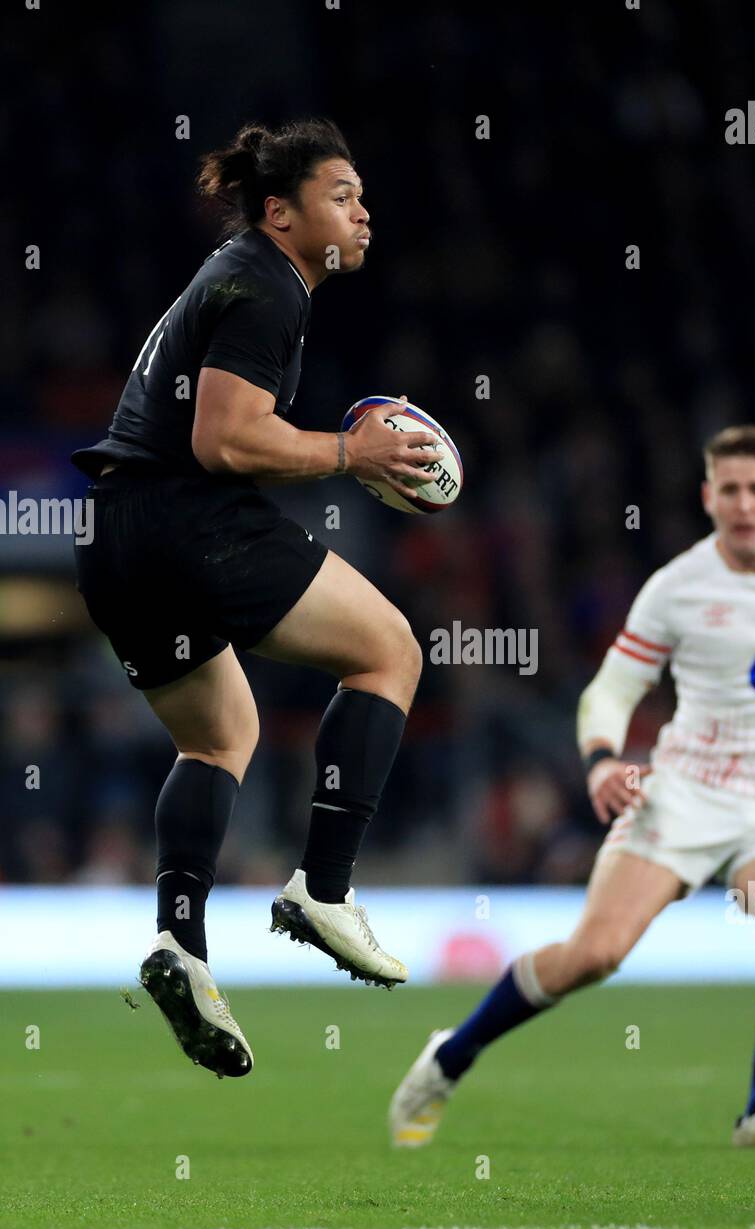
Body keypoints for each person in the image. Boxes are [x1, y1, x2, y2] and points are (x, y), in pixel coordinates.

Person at [389, 424, 755, 1148]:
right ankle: (448, 1056)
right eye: (729, 491)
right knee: (594, 956)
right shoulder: (677, 587)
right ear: (708, 497)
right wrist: (601, 759)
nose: (743, 505)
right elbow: (611, 689)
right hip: (684, 796)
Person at [73, 118, 444, 1078]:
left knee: (218, 735)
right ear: (282, 211)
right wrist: (345, 454)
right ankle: (324, 889)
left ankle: (180, 944)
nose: (363, 210)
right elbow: (225, 442)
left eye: (363, 195)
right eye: (342, 194)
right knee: (391, 651)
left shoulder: (243, 273)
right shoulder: (264, 286)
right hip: (190, 524)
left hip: (114, 537)